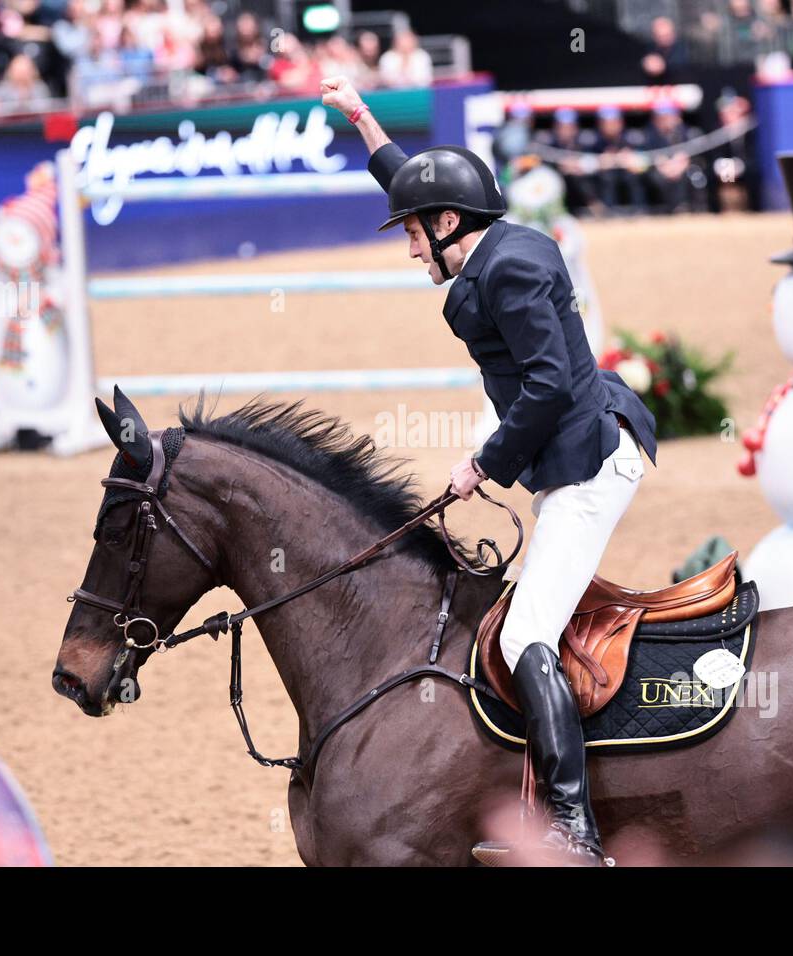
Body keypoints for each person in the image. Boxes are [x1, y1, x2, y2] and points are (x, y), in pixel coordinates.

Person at [320, 75, 658, 865]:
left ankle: (574, 833)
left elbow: (547, 385)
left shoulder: (508, 272)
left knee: (527, 636)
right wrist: (364, 118)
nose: (409, 249)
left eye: (413, 233)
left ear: (448, 225)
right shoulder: (492, 244)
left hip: (587, 464)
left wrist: (484, 461)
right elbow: (412, 178)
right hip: (571, 452)